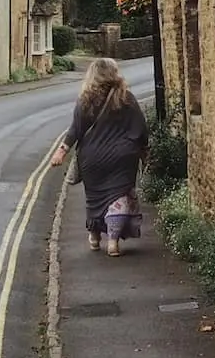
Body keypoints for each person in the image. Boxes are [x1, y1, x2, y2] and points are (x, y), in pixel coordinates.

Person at [49, 58, 147, 256]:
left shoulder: (85, 99)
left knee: (94, 199)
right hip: (122, 157)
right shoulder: (126, 97)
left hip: (92, 159)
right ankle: (113, 242)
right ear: (114, 73)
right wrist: (143, 150)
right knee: (119, 197)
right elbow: (141, 128)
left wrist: (61, 151)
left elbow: (75, 130)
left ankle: (94, 238)